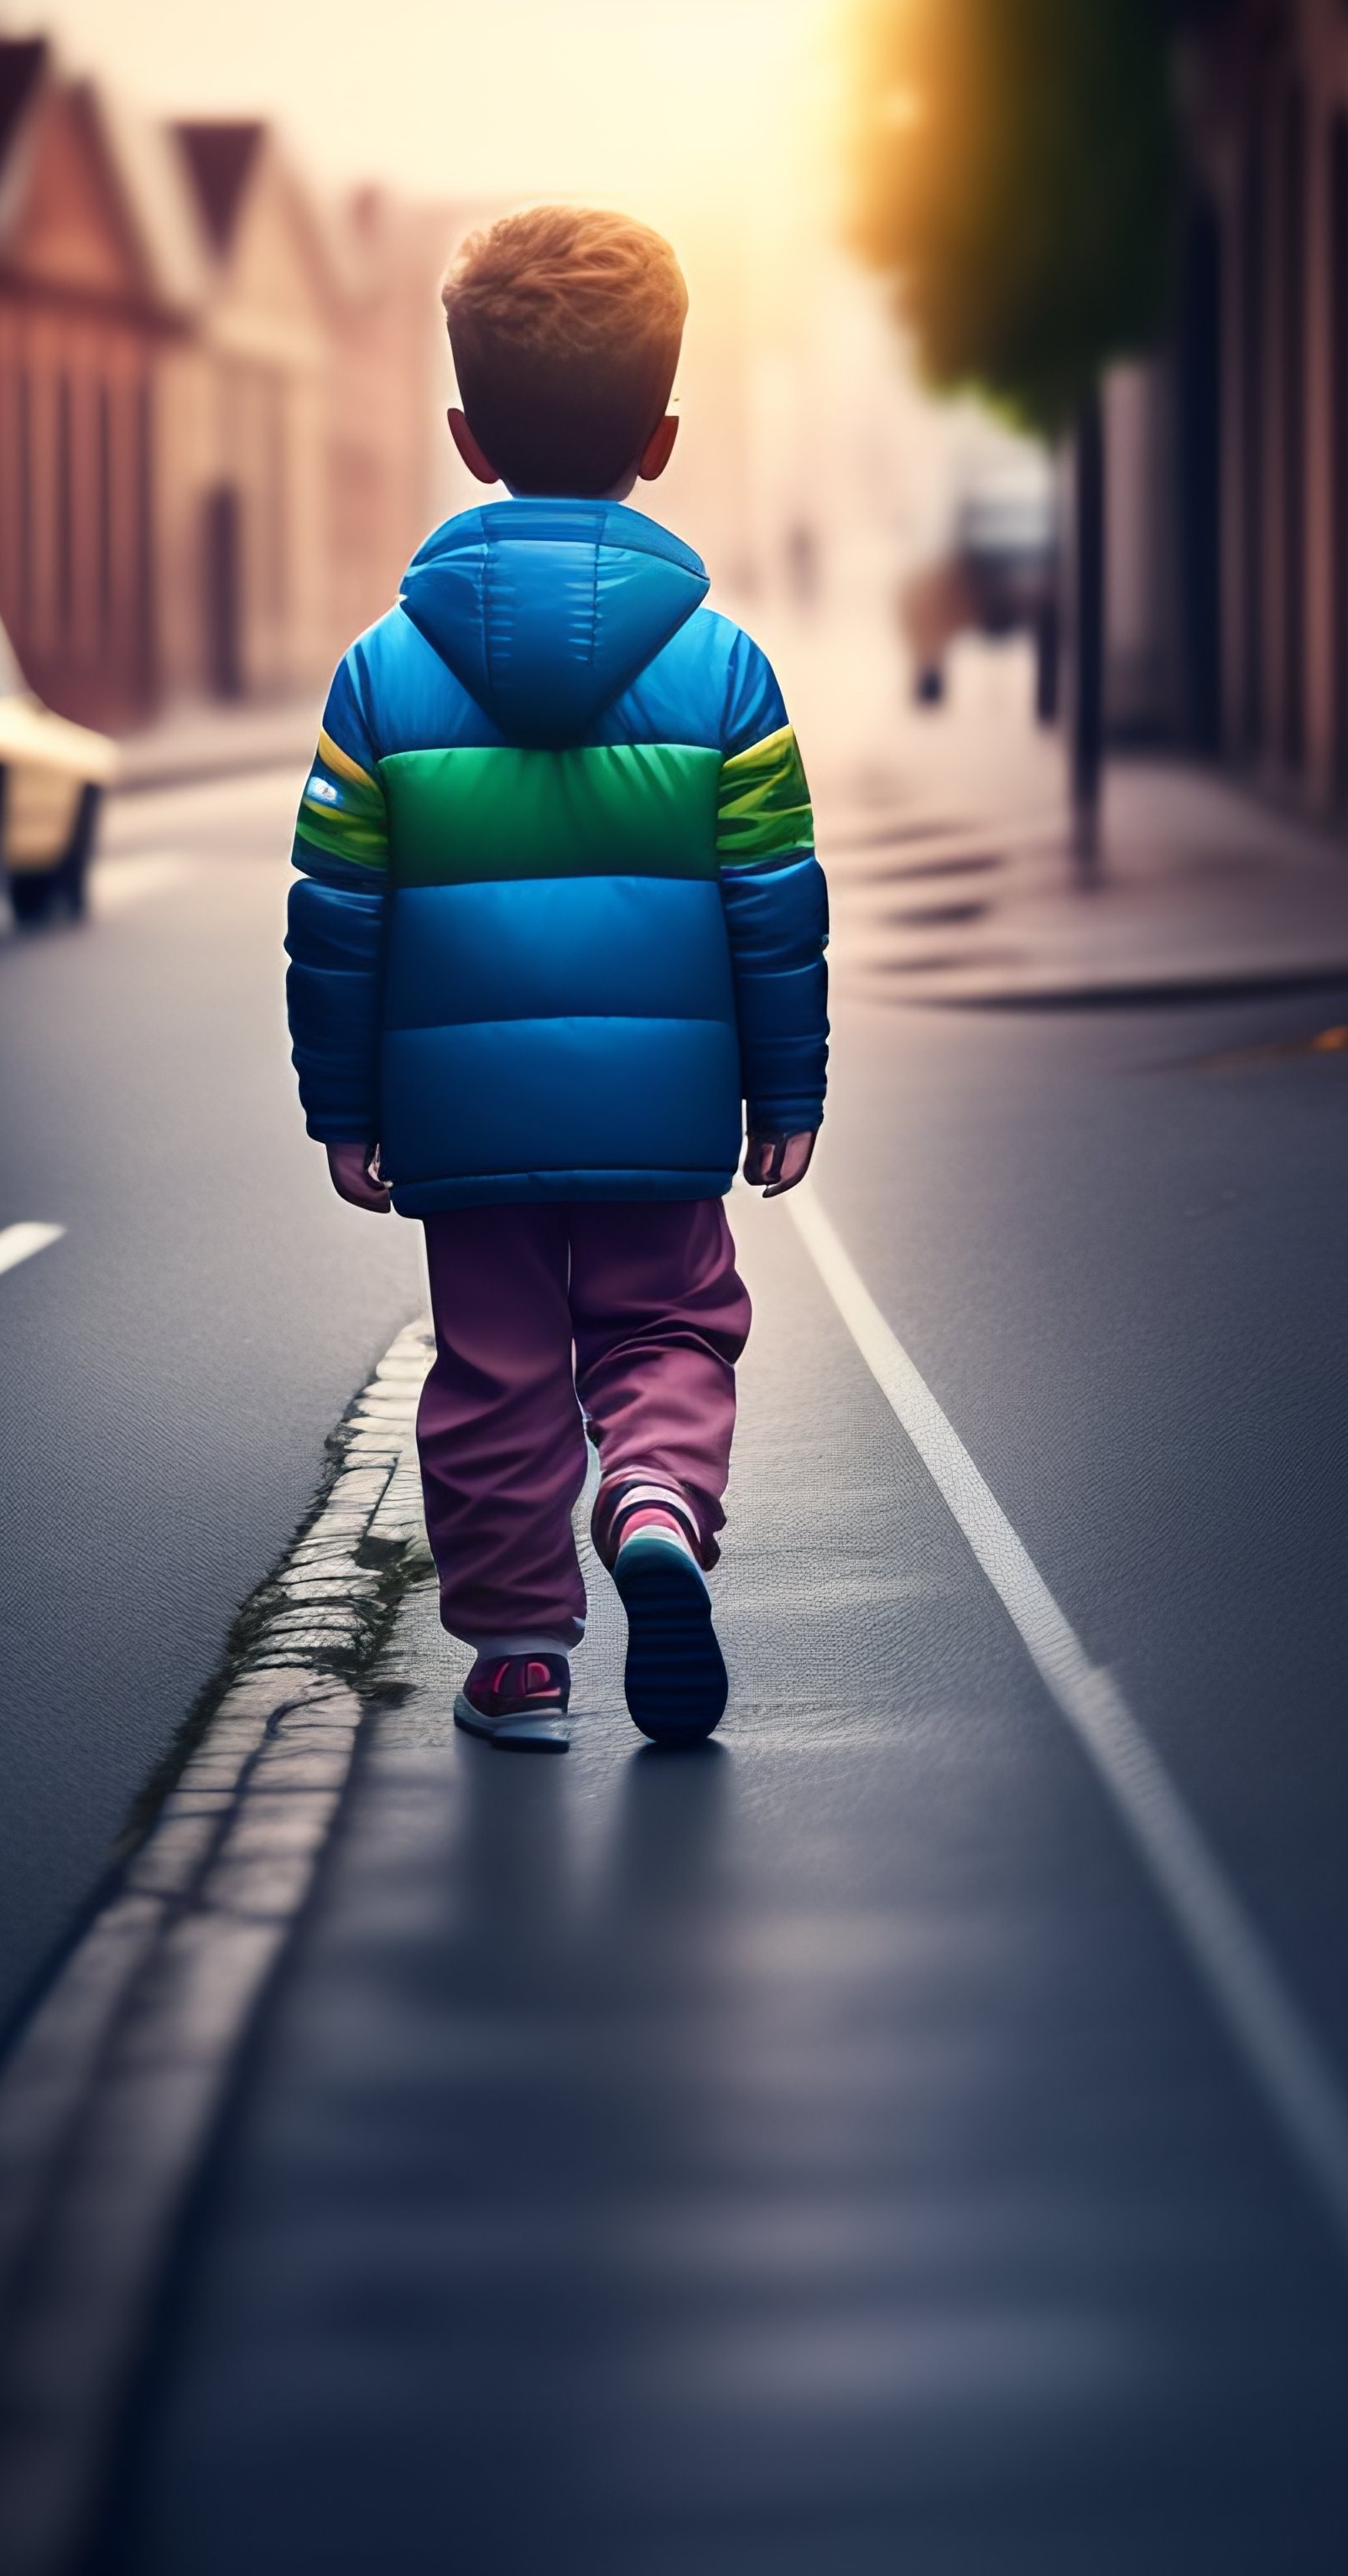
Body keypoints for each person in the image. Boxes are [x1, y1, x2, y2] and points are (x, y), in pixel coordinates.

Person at [284, 205, 829, 1754]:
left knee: (495, 1372)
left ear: (467, 439)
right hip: (664, 1108)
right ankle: (654, 1500)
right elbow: (775, 901)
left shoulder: (377, 679)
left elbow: (336, 913)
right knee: (669, 1328)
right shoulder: (728, 675)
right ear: (661, 439)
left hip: (463, 1117)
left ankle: (521, 1658)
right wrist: (786, 1088)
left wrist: (345, 1105)